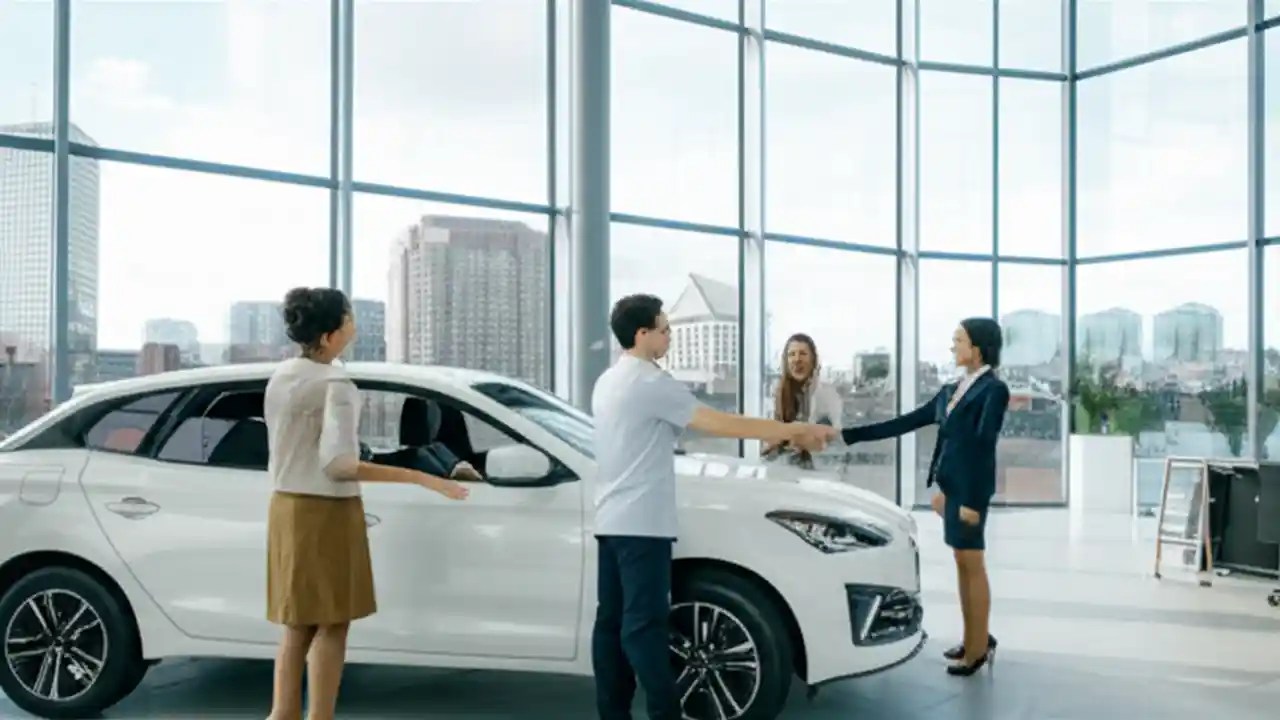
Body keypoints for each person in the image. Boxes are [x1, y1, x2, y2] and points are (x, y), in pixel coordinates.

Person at [590, 294, 836, 720]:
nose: (669, 336)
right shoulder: (649, 381)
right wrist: (793, 430)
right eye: (664, 329)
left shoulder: (607, 381)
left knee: (610, 626)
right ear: (641, 334)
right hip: (643, 526)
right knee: (645, 629)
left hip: (610, 521)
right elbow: (720, 423)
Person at [263, 287, 470, 720]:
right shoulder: (336, 383)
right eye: (349, 317)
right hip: (325, 511)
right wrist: (422, 477)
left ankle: (282, 714)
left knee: (297, 624)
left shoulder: (283, 375)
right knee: (334, 623)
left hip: (287, 507)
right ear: (330, 335)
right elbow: (339, 464)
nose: (354, 324)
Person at [841, 317, 1009, 677]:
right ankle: (975, 638)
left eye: (958, 340)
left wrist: (969, 501)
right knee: (963, 565)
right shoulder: (951, 391)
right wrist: (848, 436)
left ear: (977, 347)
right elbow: (905, 423)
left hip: (969, 494)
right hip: (952, 490)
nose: (952, 346)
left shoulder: (994, 390)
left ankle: (978, 649)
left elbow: (983, 447)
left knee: (972, 564)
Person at [762, 332, 843, 469]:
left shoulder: (826, 394)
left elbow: (834, 435)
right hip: (782, 468)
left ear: (813, 360)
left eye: (803, 354)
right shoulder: (777, 393)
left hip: (818, 469)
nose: (797, 359)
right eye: (792, 354)